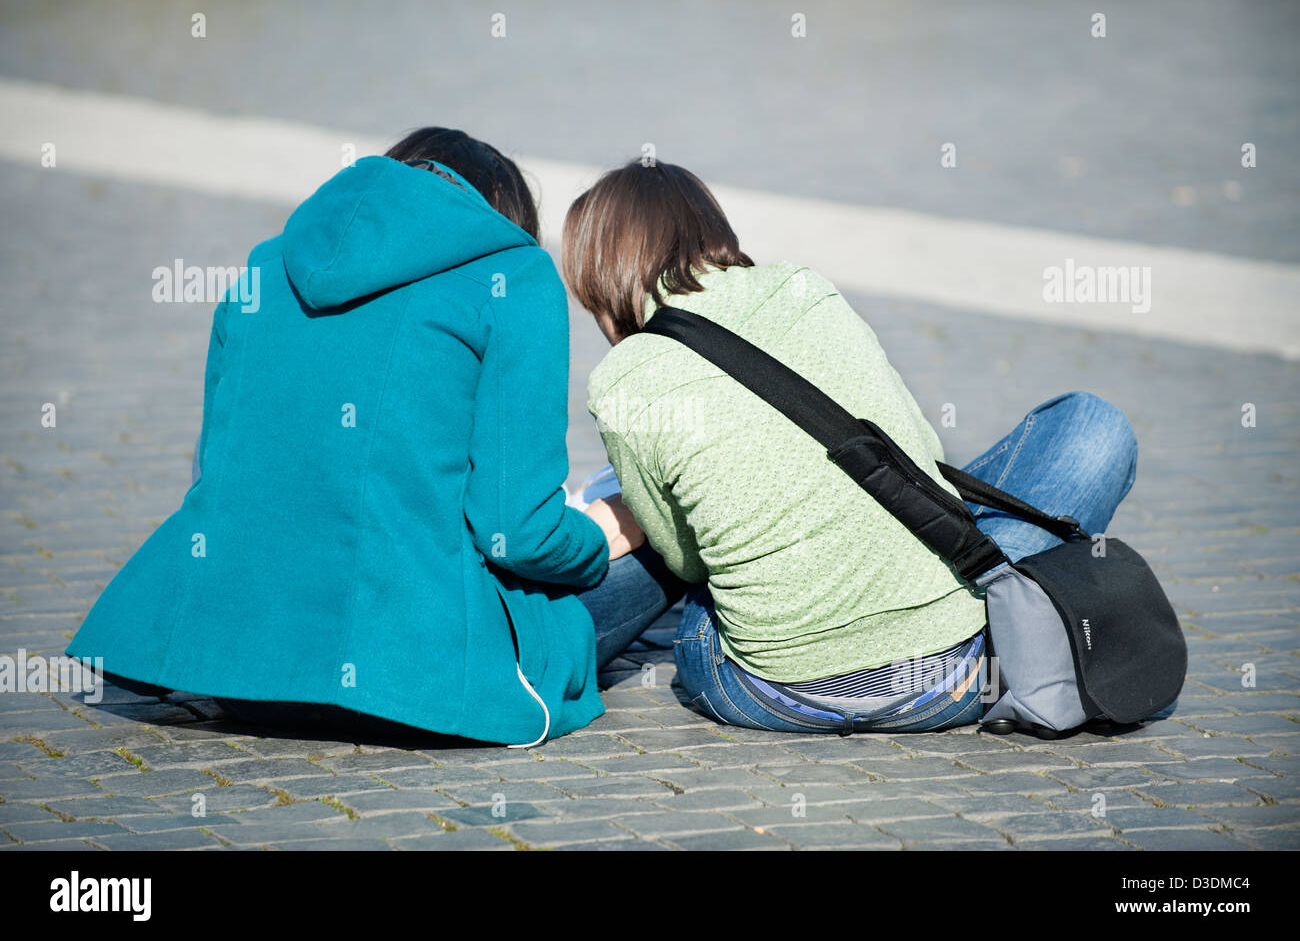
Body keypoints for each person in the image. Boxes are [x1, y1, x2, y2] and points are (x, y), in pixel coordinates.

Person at [66, 128, 642, 746]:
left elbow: (217, 477)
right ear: (500, 212)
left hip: (243, 678)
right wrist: (601, 532)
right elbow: (520, 534)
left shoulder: (264, 267)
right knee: (659, 519)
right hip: (417, 684)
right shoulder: (515, 274)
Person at [561, 160, 1139, 733]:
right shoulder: (805, 289)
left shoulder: (621, 380)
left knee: (695, 563)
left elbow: (687, 563)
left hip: (770, 694)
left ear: (601, 277)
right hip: (954, 679)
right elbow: (917, 464)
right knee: (1093, 425)